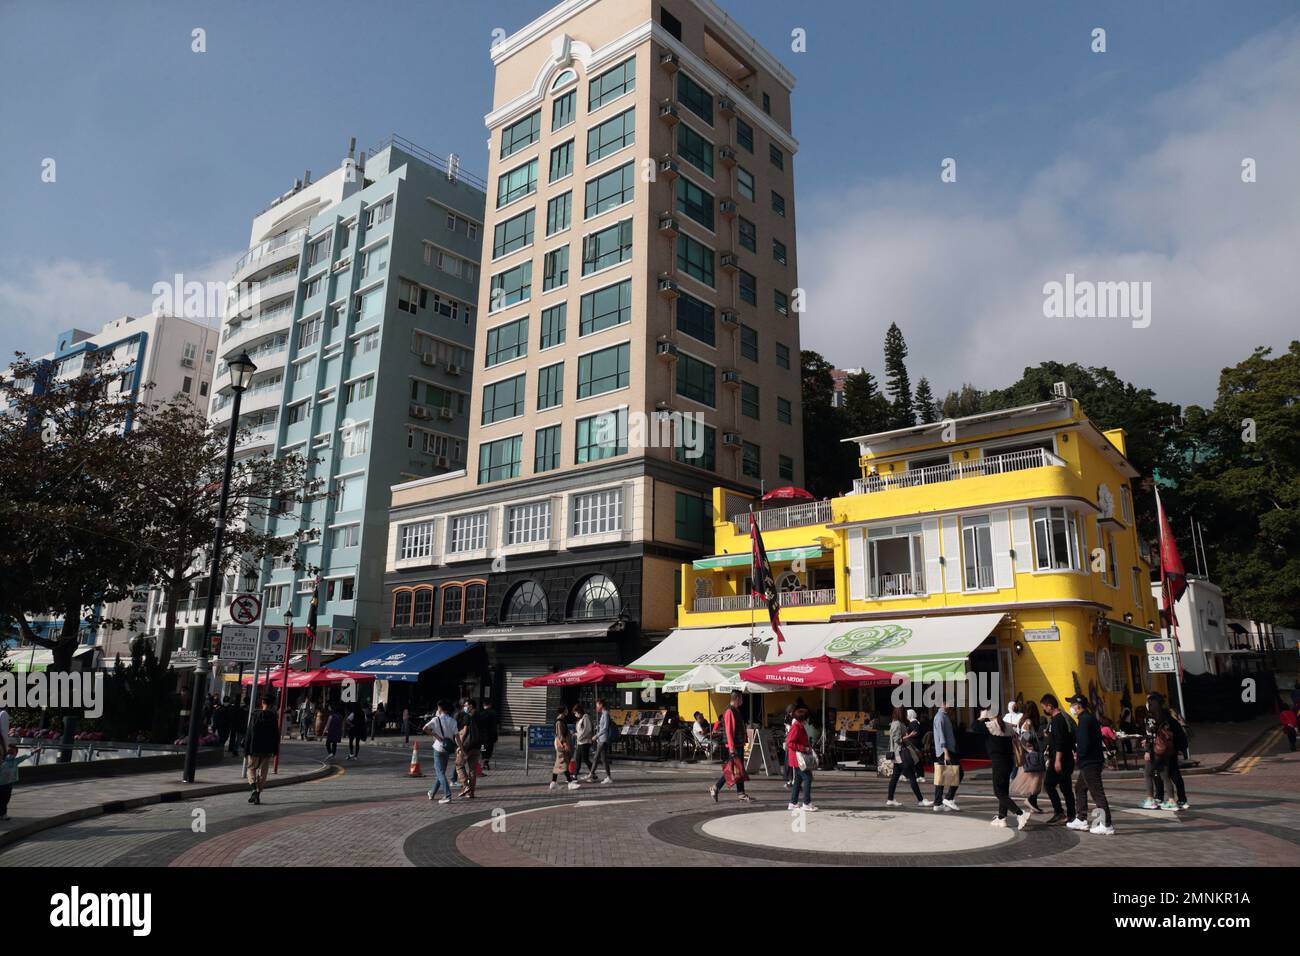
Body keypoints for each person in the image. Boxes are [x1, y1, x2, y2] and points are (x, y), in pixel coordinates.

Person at [1066, 694, 1113, 834]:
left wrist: (1078, 756)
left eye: (1072, 704)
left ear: (1078, 706)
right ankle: (1081, 819)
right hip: (1090, 761)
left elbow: (1084, 743)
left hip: (1090, 762)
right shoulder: (1087, 718)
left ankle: (1106, 824)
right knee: (1080, 788)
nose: (1071, 707)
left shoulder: (1085, 720)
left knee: (1097, 792)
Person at [981, 708, 1028, 829]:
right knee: (1004, 791)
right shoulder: (1007, 726)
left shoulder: (989, 725)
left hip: (998, 763)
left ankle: (1020, 813)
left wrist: (981, 717)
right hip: (1008, 762)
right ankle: (1002, 817)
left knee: (999, 792)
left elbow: (975, 727)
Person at [1146, 694, 1189, 810]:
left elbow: (1150, 735)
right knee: (1173, 774)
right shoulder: (1167, 715)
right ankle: (1181, 799)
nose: (1147, 704)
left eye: (1149, 701)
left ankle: (1160, 798)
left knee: (1154, 773)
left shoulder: (1152, 717)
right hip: (1171, 749)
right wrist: (1182, 748)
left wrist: (1147, 750)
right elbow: (1178, 732)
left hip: (1159, 750)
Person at [709, 692, 753, 803]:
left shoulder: (735, 710)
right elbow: (729, 731)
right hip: (734, 746)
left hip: (738, 745)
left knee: (737, 769)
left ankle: (738, 793)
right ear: (737, 698)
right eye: (741, 698)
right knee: (733, 769)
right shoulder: (729, 711)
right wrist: (732, 748)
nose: (742, 700)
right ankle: (718, 788)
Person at [1039, 694, 1077, 824]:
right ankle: (1070, 814)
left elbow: (1060, 741)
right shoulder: (1059, 719)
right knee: (1065, 787)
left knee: (1049, 785)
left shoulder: (1057, 720)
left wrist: (1057, 760)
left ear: (1049, 706)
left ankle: (1061, 812)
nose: (1044, 709)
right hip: (1064, 758)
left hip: (1061, 759)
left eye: (1044, 707)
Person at [885, 706, 931, 807]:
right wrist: (910, 735)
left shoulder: (894, 723)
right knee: (912, 777)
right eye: (904, 713)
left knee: (895, 778)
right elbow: (898, 740)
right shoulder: (898, 724)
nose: (905, 715)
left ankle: (890, 799)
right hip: (901, 754)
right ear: (900, 713)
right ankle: (921, 800)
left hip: (898, 755)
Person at [245, 697, 280, 805]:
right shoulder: (273, 717)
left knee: (251, 769)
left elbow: (250, 732)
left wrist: (246, 749)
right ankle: (258, 795)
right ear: (272, 705)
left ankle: (254, 789)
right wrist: (275, 750)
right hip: (267, 749)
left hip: (255, 748)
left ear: (262, 703)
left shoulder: (255, 715)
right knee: (263, 773)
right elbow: (276, 734)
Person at [423, 700, 458, 804]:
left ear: (440, 708)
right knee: (441, 773)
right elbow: (457, 737)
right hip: (447, 749)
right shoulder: (453, 721)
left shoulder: (436, 719)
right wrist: (460, 748)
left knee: (440, 773)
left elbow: (424, 728)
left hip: (438, 748)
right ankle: (432, 792)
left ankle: (447, 795)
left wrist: (435, 735)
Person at [786, 704, 818, 811]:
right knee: (808, 778)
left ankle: (793, 803)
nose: (808, 719)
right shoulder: (796, 727)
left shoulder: (799, 726)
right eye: (807, 717)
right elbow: (790, 743)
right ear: (803, 719)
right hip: (798, 759)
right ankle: (806, 803)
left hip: (797, 759)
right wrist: (804, 748)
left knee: (798, 780)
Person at [931, 702, 962, 811]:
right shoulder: (940, 717)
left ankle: (938, 803)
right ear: (942, 703)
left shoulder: (944, 716)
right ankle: (948, 798)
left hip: (946, 750)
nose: (951, 703)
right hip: (946, 750)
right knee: (959, 773)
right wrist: (946, 753)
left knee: (942, 777)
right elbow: (941, 736)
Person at [1016, 701, 1045, 813]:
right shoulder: (1028, 722)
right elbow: (1025, 737)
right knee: (1036, 780)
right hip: (1032, 754)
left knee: (1034, 780)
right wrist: (1039, 736)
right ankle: (1031, 800)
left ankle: (1033, 804)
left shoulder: (1022, 720)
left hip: (1027, 755)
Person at [456, 699, 483, 798]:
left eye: (466, 705)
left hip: (467, 745)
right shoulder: (481, 716)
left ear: (471, 706)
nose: (464, 707)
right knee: (472, 770)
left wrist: (460, 746)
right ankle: (471, 792)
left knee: (459, 765)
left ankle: (465, 786)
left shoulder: (467, 716)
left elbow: (465, 732)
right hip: (477, 746)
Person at [587, 698, 615, 784]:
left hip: (603, 739)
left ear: (601, 705)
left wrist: (596, 735)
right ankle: (609, 777)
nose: (596, 707)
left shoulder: (605, 714)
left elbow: (605, 728)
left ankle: (591, 774)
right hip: (601, 739)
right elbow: (603, 727)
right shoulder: (603, 714)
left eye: (597, 705)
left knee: (596, 757)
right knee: (603, 759)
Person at [551, 705, 579, 790]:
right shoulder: (559, 721)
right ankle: (570, 783)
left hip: (562, 745)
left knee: (558, 764)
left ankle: (553, 782)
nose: (567, 711)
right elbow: (560, 735)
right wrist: (564, 744)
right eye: (566, 709)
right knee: (564, 764)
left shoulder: (562, 720)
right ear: (563, 711)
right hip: (562, 746)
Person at [572, 703, 595, 779]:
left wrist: (580, 737)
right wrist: (576, 734)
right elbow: (581, 731)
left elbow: (587, 730)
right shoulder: (580, 719)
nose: (575, 714)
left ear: (579, 711)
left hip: (585, 742)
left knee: (585, 759)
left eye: (575, 713)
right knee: (578, 759)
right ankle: (575, 775)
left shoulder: (585, 717)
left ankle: (593, 773)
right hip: (580, 742)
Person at [479, 701, 499, 771]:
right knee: (489, 750)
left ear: (484, 705)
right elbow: (496, 725)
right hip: (491, 736)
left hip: (482, 737)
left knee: (483, 749)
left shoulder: (481, 714)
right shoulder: (494, 713)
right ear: (490, 705)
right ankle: (486, 762)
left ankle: (484, 761)